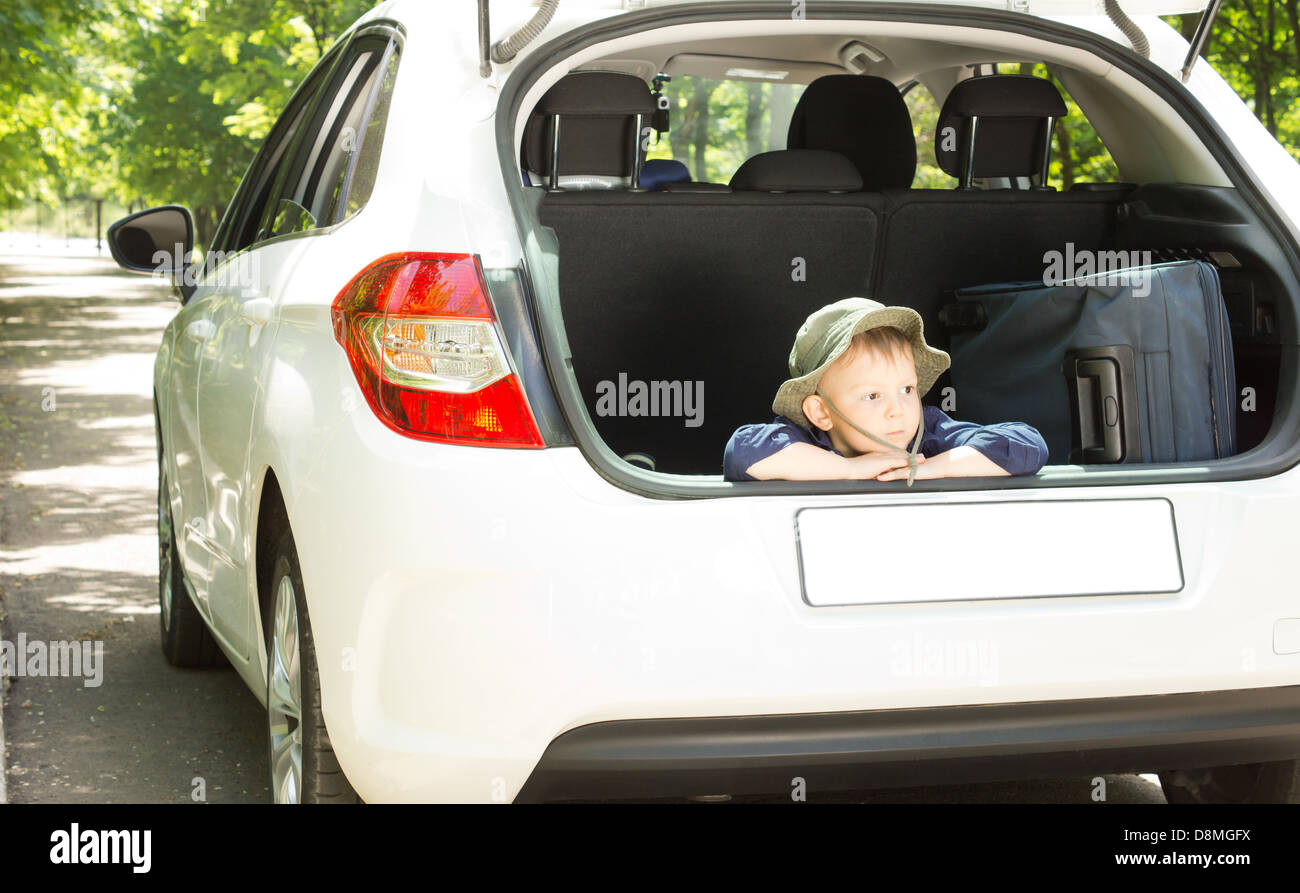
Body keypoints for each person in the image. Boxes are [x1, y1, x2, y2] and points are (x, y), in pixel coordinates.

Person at [724, 297, 1048, 484]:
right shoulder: (802, 441)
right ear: (822, 412)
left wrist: (934, 467)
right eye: (872, 396)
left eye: (906, 389)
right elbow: (744, 451)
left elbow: (1025, 444)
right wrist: (849, 470)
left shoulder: (926, 433)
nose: (898, 409)